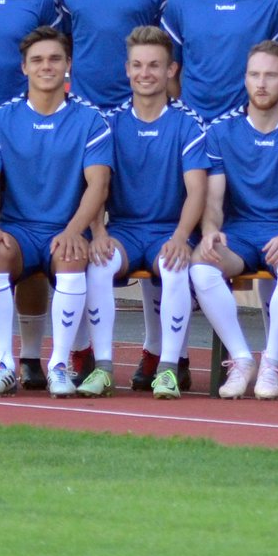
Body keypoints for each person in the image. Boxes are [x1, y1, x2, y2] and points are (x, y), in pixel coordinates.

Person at [0, 27, 114, 397]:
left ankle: (59, 365)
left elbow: (98, 185)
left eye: (54, 59)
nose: (46, 66)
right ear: (24, 68)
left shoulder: (90, 119)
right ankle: (4, 364)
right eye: (37, 60)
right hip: (18, 231)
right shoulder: (1, 118)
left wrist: (73, 230)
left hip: (64, 228)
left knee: (69, 255)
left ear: (68, 65)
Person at [86, 27, 224, 400]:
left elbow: (197, 190)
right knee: (98, 263)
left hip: (170, 229)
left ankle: (167, 369)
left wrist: (181, 237)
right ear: (127, 70)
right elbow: (96, 187)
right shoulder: (108, 122)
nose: (145, 73)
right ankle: (102, 367)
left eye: (154, 66)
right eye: (137, 65)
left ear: (171, 70)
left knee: (175, 264)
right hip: (126, 231)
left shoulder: (188, 123)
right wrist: (99, 232)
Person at [193, 41, 278, 400]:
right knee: (201, 264)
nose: (262, 84)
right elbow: (213, 202)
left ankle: (272, 363)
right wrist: (211, 231)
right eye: (254, 75)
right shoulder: (220, 131)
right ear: (245, 79)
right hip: (240, 235)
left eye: (271, 75)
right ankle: (242, 359)